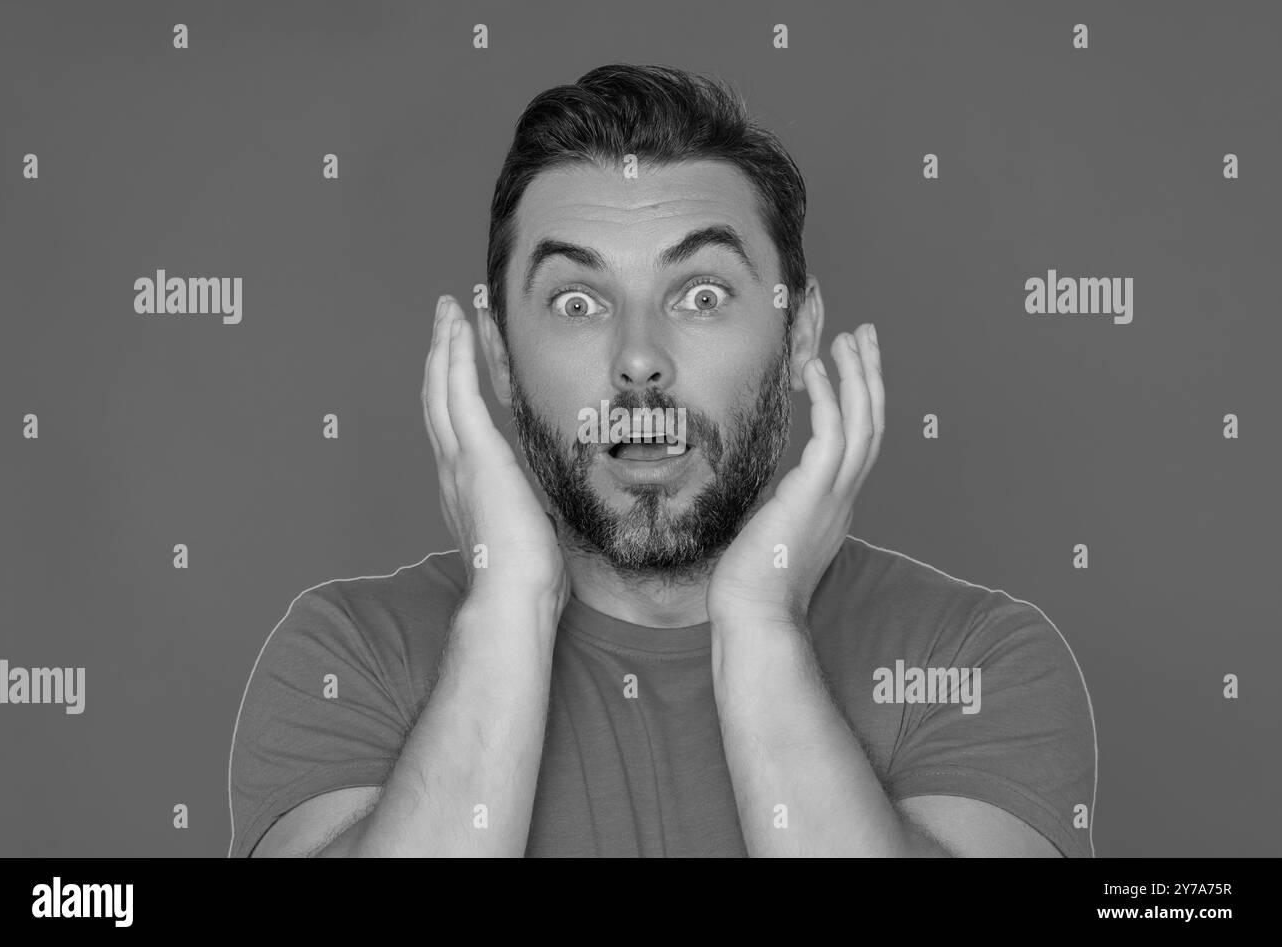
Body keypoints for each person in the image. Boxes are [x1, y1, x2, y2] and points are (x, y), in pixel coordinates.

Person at [228, 63, 1096, 858]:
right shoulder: (348, 655)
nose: (638, 359)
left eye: (702, 295)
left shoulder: (972, 659)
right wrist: (508, 609)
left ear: (798, 333)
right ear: (499, 354)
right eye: (577, 301)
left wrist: (761, 623)